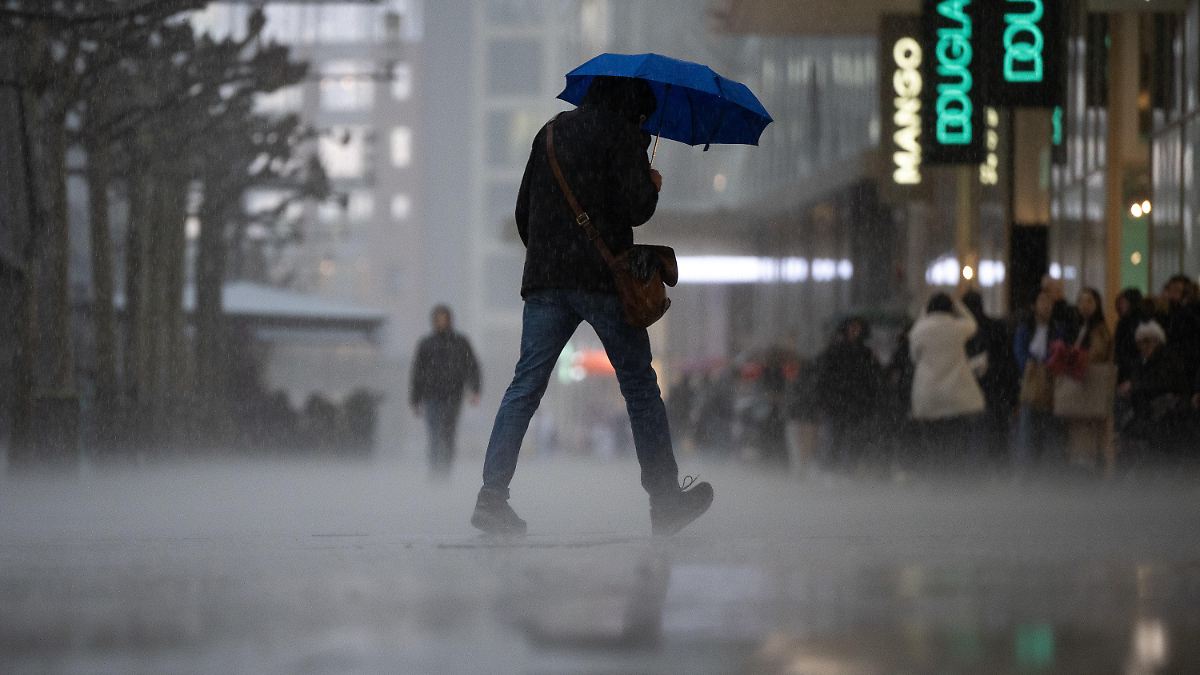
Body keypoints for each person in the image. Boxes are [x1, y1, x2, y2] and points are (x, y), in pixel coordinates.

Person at [469, 76, 712, 536]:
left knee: (524, 389)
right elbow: (637, 207)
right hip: (605, 281)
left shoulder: (550, 133)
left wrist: (551, 254)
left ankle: (491, 496)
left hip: (546, 281)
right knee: (640, 387)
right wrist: (650, 181)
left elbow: (524, 212)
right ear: (631, 108)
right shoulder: (622, 134)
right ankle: (665, 501)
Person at [908, 293, 985, 472]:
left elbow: (914, 357)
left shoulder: (919, 330)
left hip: (928, 397)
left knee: (933, 448)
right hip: (955, 397)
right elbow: (973, 325)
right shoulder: (957, 327)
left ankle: (936, 483)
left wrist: (923, 313)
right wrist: (959, 306)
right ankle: (954, 483)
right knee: (955, 445)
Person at [410, 305, 480, 478]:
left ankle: (445, 471)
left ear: (449, 320)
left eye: (444, 318)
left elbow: (472, 366)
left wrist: (475, 389)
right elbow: (417, 372)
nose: (441, 322)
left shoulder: (460, 342)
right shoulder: (426, 344)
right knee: (434, 435)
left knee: (448, 435)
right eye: (438, 319)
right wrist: (415, 399)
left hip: (453, 396)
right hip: (431, 396)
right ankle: (435, 471)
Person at [1116, 320, 1192, 467]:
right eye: (1140, 342)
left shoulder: (1167, 359)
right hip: (1147, 408)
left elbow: (1162, 383)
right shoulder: (1142, 361)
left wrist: (1134, 386)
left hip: (1163, 410)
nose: (1144, 346)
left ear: (1157, 341)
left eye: (1147, 341)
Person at [1057, 288, 1114, 473]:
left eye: (1089, 301)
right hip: (1077, 388)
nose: (1084, 306)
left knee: (1093, 434)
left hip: (1092, 386)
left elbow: (1098, 354)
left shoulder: (1100, 330)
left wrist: (1077, 357)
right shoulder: (1073, 328)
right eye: (1081, 301)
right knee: (1077, 434)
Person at [815, 317, 882, 472]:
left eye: (857, 329)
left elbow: (873, 377)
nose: (854, 332)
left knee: (851, 439)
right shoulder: (835, 351)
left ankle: (845, 469)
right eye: (852, 328)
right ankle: (834, 469)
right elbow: (823, 377)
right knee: (837, 438)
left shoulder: (865, 353)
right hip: (839, 404)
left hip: (855, 404)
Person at [963, 291, 1018, 469]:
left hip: (972, 391)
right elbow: (1008, 360)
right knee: (995, 436)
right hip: (996, 391)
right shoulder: (996, 328)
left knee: (973, 438)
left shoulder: (964, 331)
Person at [1013, 291, 1067, 469]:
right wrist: (1032, 367)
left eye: (1049, 302)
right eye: (1042, 301)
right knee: (1028, 434)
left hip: (1051, 387)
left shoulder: (1057, 330)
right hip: (1031, 385)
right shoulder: (1025, 328)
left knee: (1049, 434)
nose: (1046, 306)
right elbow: (1020, 354)